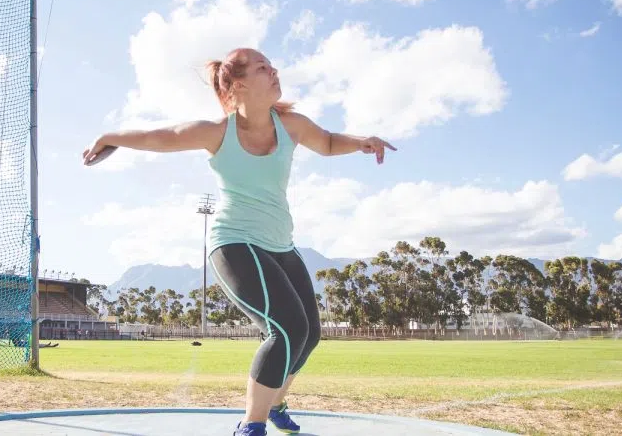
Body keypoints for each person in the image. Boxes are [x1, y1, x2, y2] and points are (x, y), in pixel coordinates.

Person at [83, 48, 395, 436]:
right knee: (285, 328)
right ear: (239, 83)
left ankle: (275, 402)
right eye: (264, 68)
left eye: (273, 65)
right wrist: (108, 136)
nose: (275, 71)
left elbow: (329, 142)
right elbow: (159, 137)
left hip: (282, 246)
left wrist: (362, 141)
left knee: (309, 334)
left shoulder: (292, 126)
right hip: (235, 244)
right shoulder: (218, 132)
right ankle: (251, 425)